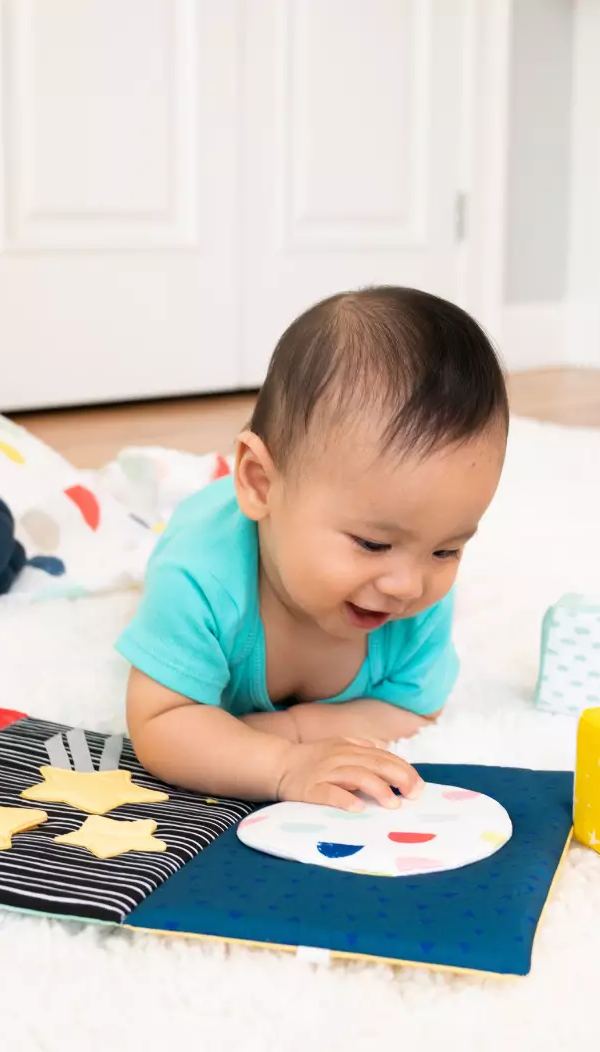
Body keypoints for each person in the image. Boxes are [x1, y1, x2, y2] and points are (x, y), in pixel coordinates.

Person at [115, 286, 508, 811]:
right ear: (260, 483)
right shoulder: (199, 580)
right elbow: (160, 722)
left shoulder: (417, 597)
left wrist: (297, 727)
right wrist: (282, 764)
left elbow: (414, 709)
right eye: (373, 543)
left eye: (447, 551)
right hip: (199, 534)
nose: (408, 585)